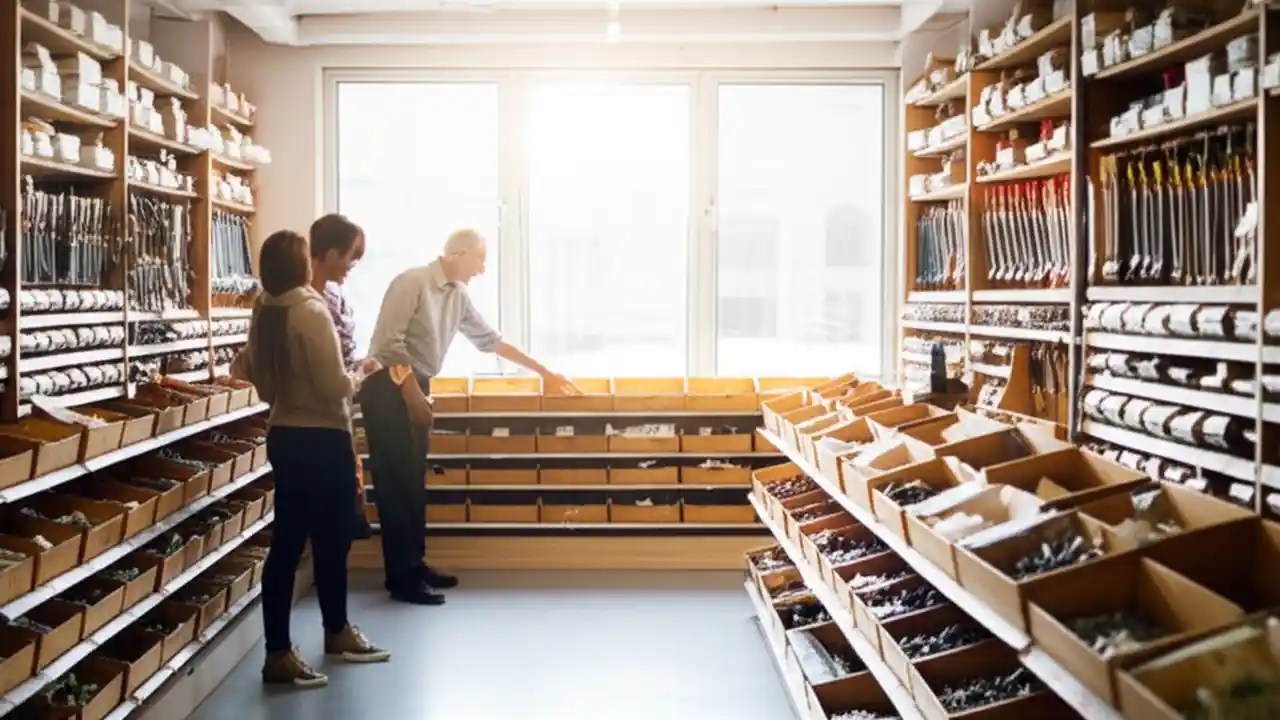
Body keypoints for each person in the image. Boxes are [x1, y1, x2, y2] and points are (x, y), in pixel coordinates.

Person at [364, 228, 579, 605]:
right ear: (460, 253)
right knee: (396, 487)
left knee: (413, 483)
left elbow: (490, 340)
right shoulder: (412, 281)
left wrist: (545, 372)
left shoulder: (457, 295)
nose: (482, 269)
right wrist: (413, 396)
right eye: (480, 259)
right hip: (390, 389)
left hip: (416, 386)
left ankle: (414, 565)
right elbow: (388, 345)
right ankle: (401, 579)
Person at [232, 229, 389, 688]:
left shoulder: (264, 308)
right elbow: (335, 387)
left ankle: (278, 650)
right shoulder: (310, 311)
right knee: (332, 540)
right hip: (323, 438)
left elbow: (259, 381)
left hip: (283, 435)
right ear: (304, 264)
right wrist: (361, 372)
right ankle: (335, 632)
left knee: (286, 546)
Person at [309, 213, 374, 540]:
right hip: (315, 415)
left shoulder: (336, 297)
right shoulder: (303, 302)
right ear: (331, 254)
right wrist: (358, 372)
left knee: (341, 501)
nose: (352, 265)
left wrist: (360, 366)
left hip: (341, 407)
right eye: (351, 257)